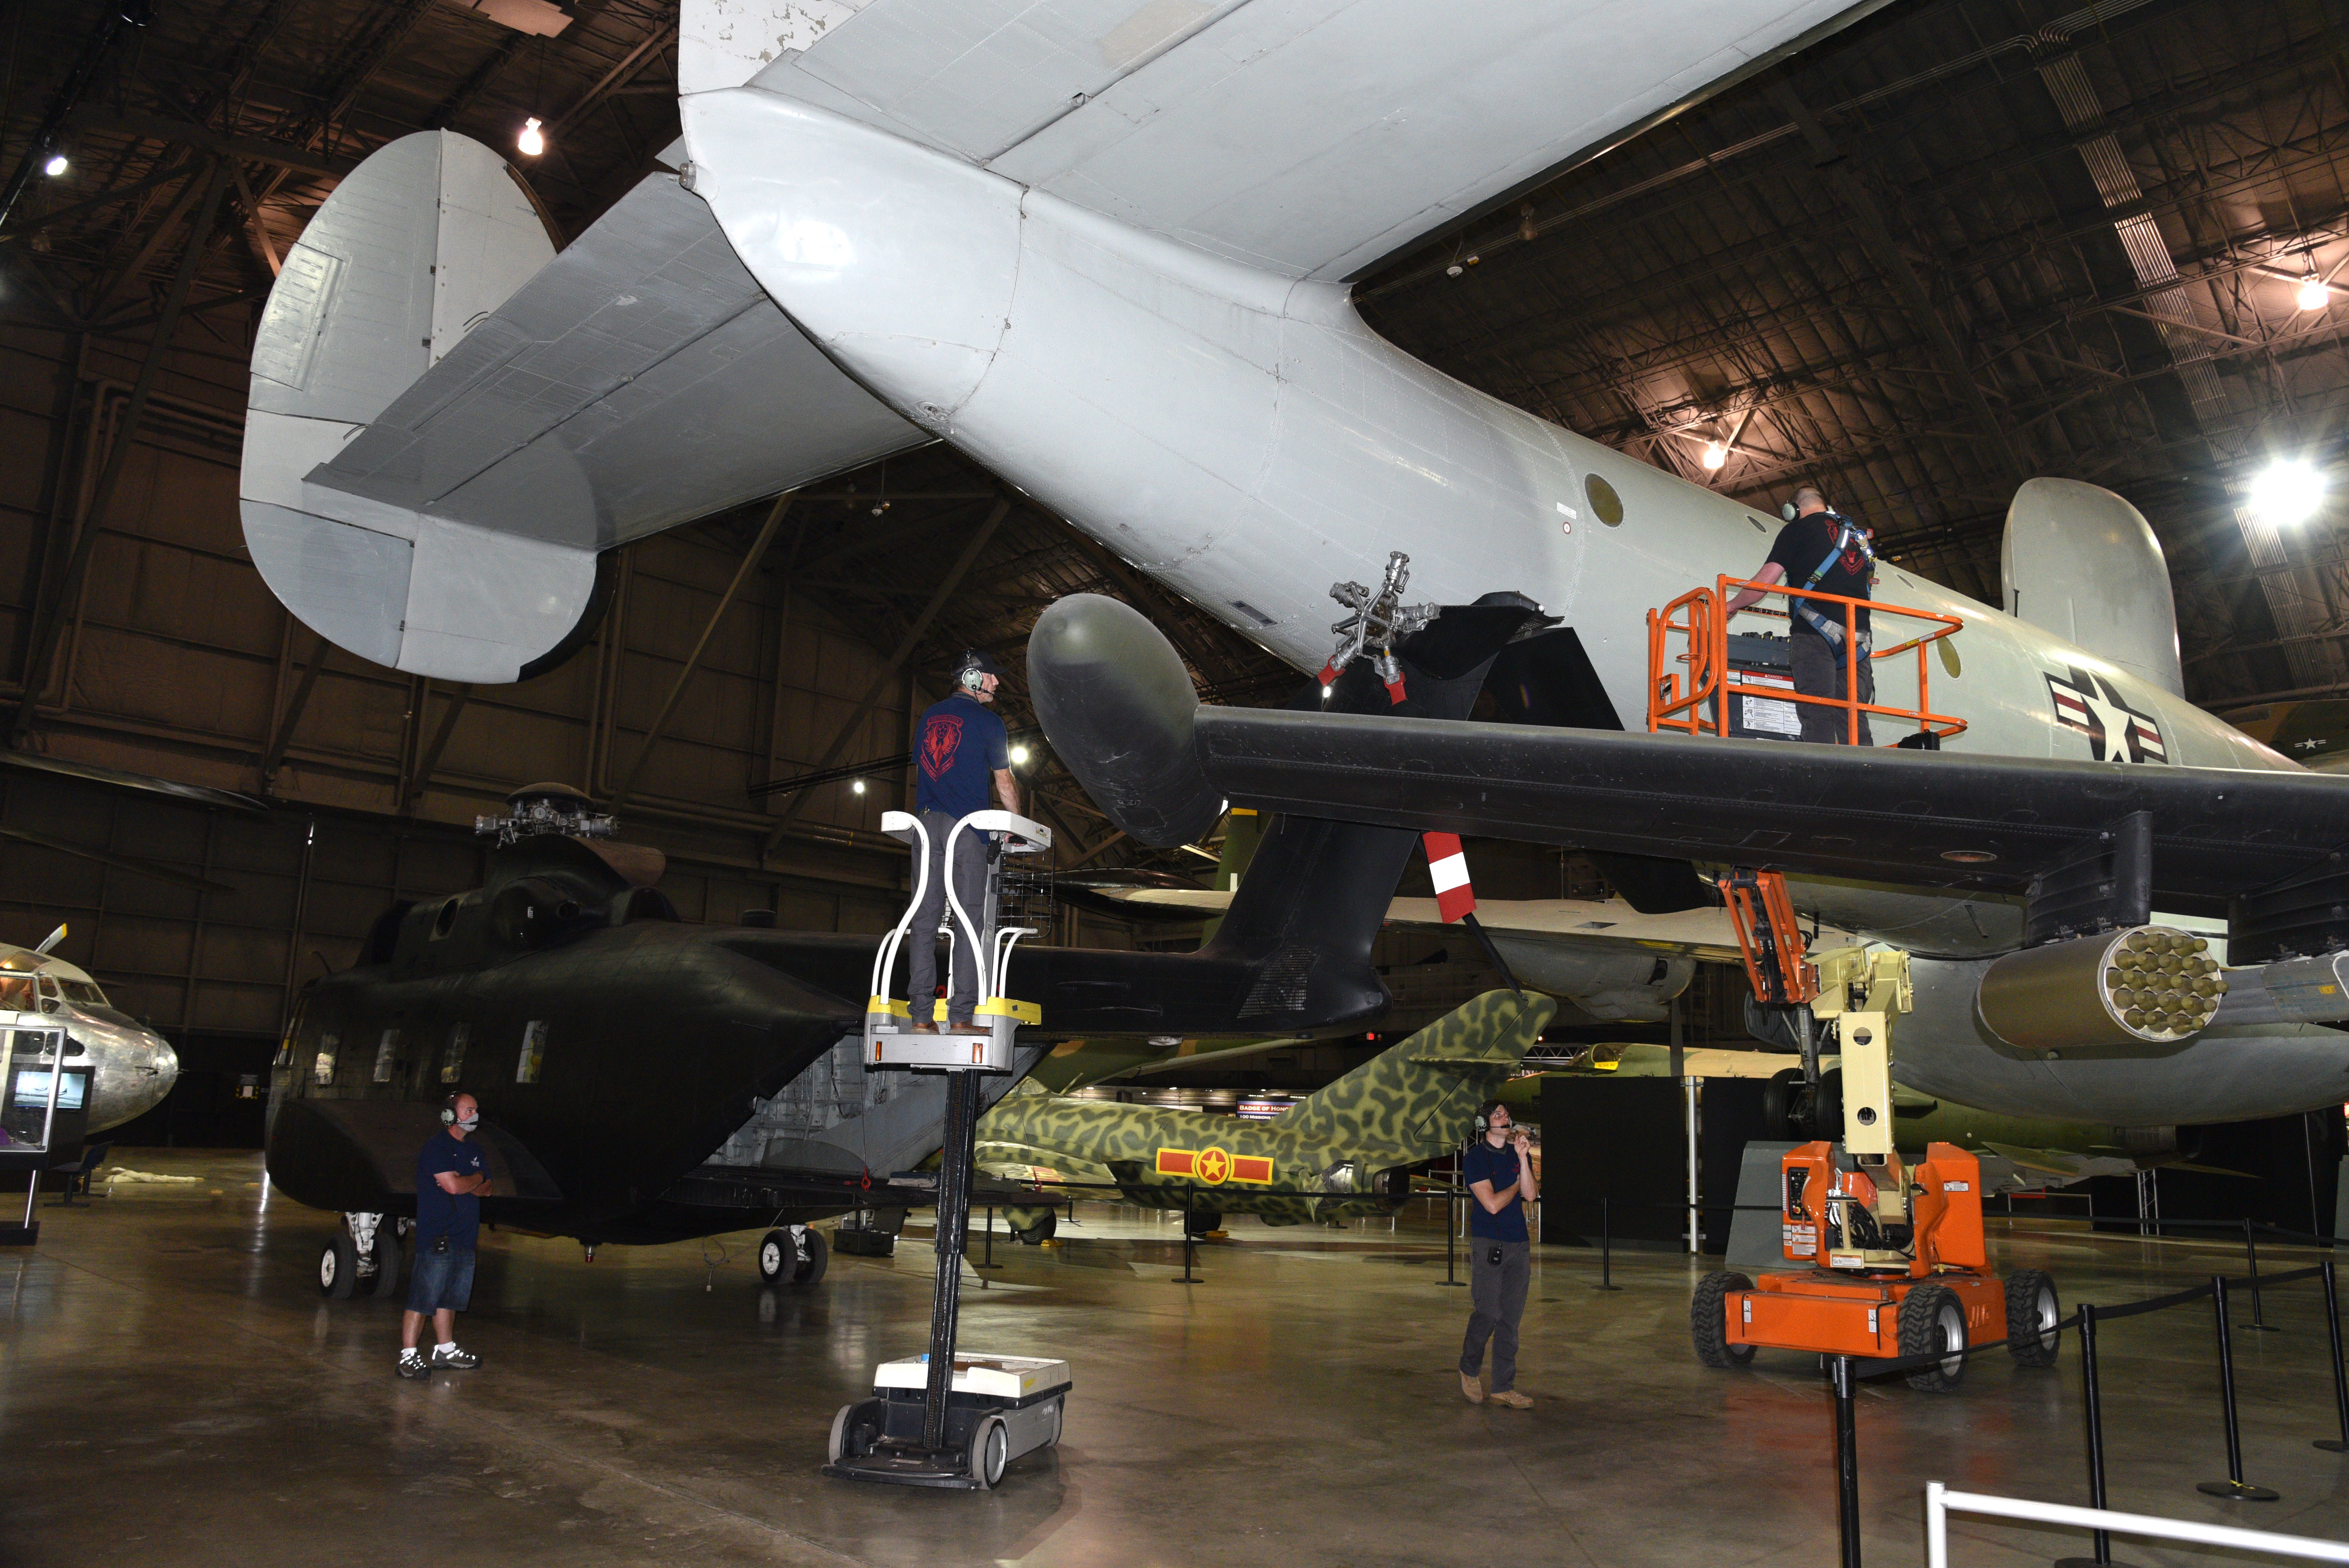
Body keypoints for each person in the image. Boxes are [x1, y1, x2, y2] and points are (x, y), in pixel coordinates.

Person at [906, 650, 1020, 1035]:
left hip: (925, 826)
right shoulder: (990, 722)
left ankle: (921, 1017)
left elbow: (927, 765)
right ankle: (960, 1018)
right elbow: (1004, 781)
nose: (997, 683)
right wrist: (1015, 822)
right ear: (973, 678)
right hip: (966, 830)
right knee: (969, 921)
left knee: (924, 922)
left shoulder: (927, 716)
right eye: (991, 676)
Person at [1726, 486, 1877, 745]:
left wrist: (1731, 606)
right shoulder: (1856, 538)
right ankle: (1867, 776)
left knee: (1817, 712)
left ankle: (1819, 777)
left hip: (1815, 632)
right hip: (1859, 639)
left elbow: (1765, 583)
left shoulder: (1797, 530)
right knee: (1853, 719)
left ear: (1793, 509)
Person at [397, 1092, 491, 1379]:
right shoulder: (436, 1148)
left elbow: (487, 1188)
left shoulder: (475, 1151)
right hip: (438, 1235)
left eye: (475, 1110)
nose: (473, 1115)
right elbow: (452, 1186)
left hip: (465, 1237)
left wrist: (469, 1180)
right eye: (467, 1110)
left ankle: (445, 1350)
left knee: (450, 1297)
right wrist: (471, 1180)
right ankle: (408, 1356)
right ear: (450, 1115)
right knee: (423, 1297)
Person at [1458, 1099, 1537, 1409]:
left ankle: (1504, 1386)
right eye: (1497, 1114)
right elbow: (1491, 1204)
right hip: (1488, 1243)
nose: (1505, 1117)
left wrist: (1523, 1158)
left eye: (1506, 1113)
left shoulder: (1519, 1155)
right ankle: (1469, 1368)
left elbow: (1531, 1194)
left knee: (1511, 1319)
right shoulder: (1475, 1159)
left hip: (1519, 1244)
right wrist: (1517, 1184)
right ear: (1483, 1125)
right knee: (1488, 1312)